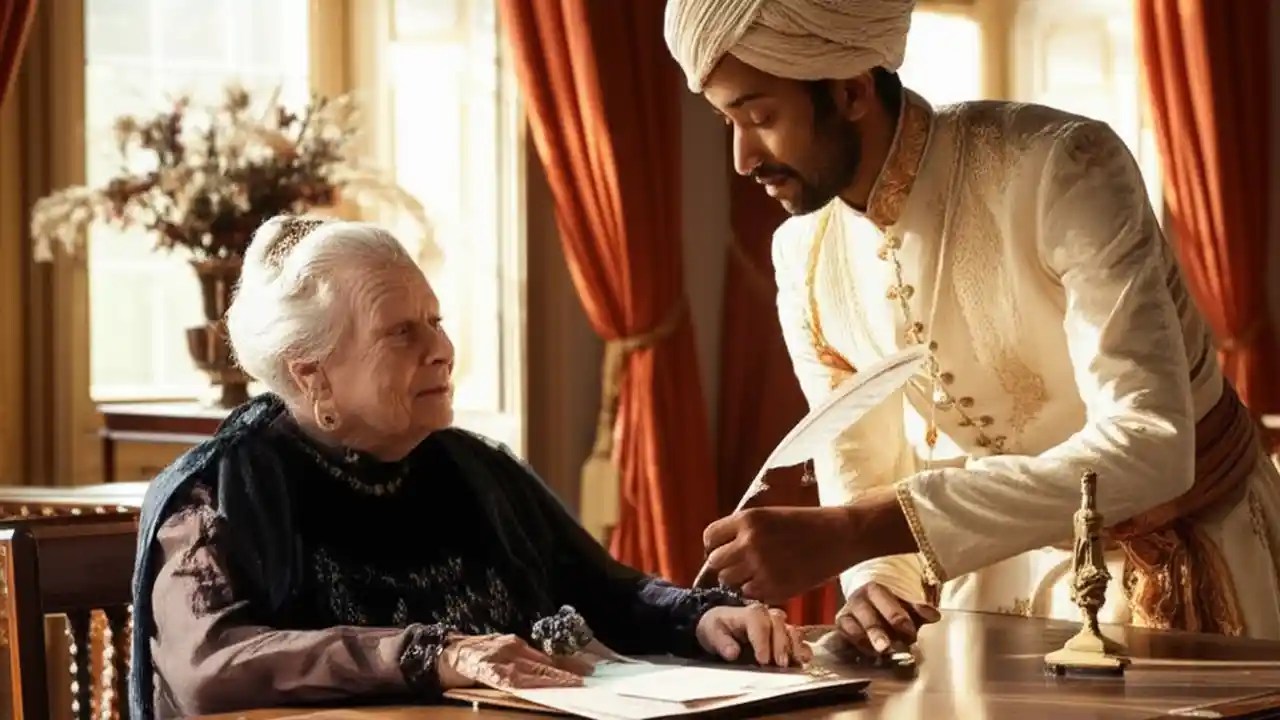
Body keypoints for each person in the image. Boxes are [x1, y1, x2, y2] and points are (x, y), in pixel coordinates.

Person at [664, 0, 1280, 655]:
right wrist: (876, 582)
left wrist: (861, 529)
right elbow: (862, 464)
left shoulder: (1062, 166)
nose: (741, 156)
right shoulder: (803, 256)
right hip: (996, 597)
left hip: (1199, 567)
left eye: (760, 117)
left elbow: (1151, 447)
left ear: (849, 91)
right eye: (728, 120)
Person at [128, 216, 811, 719]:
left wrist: (699, 620)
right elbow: (208, 665)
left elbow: (605, 591)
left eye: (436, 320)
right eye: (402, 332)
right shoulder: (220, 492)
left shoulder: (471, 467)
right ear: (314, 376)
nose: (442, 349)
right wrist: (431, 653)